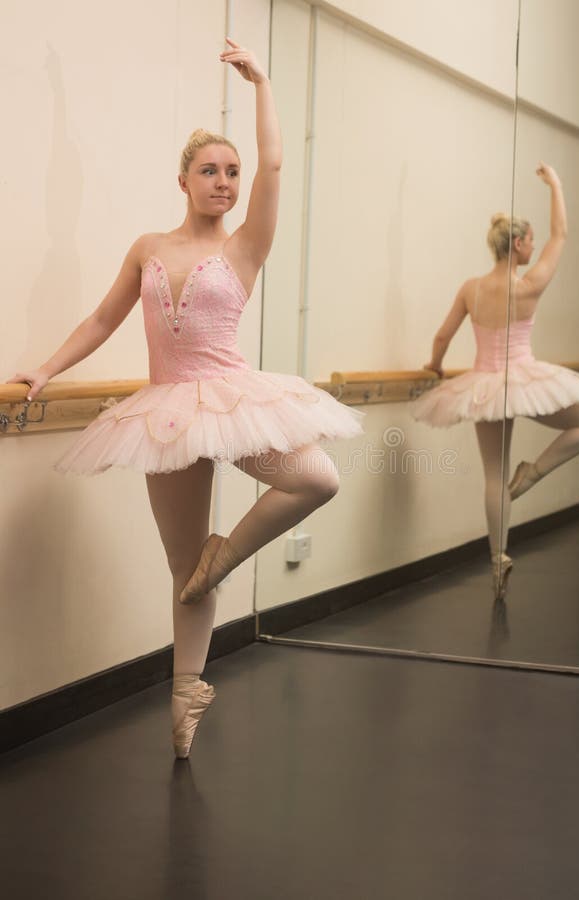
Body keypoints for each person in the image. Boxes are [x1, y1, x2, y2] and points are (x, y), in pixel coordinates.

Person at [9, 39, 362, 758]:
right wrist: (42, 371)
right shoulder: (148, 247)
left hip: (232, 400)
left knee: (315, 478)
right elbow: (103, 319)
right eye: (210, 171)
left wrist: (262, 79)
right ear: (183, 179)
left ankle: (226, 555)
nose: (225, 182)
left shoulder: (245, 248)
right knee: (183, 572)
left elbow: (274, 165)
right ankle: (185, 695)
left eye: (231, 173)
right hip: (166, 413)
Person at [412, 163, 579, 600]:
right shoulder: (530, 284)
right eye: (531, 242)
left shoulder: (471, 288)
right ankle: (533, 474)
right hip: (523, 376)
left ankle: (497, 557)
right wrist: (556, 184)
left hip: (484, 383)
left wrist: (435, 364)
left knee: (492, 474)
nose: (535, 247)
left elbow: (443, 335)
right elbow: (561, 235)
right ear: (519, 245)